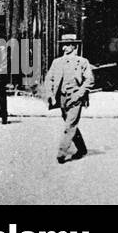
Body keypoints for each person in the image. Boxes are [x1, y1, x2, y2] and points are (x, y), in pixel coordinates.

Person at [41, 33, 94, 163]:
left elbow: (90, 80)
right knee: (70, 124)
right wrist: (50, 95)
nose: (64, 48)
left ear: (73, 46)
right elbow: (49, 79)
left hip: (76, 98)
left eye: (67, 45)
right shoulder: (57, 62)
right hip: (62, 99)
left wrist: (80, 94)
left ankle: (62, 153)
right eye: (62, 45)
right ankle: (82, 149)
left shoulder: (82, 62)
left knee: (69, 125)